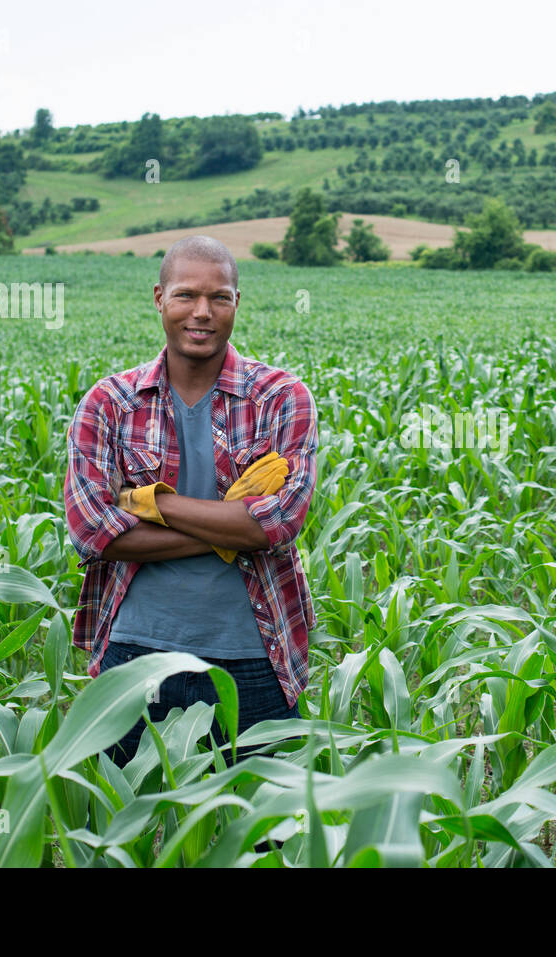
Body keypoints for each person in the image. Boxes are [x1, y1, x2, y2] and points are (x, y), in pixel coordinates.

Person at [63, 235, 318, 771]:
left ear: (236, 303)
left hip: (254, 652)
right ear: (159, 298)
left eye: (219, 297)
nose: (202, 312)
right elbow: (94, 533)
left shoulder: (280, 398)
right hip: (134, 650)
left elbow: (279, 524)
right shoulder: (109, 404)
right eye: (186, 296)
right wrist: (230, 527)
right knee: (121, 832)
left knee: (265, 839)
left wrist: (149, 503)